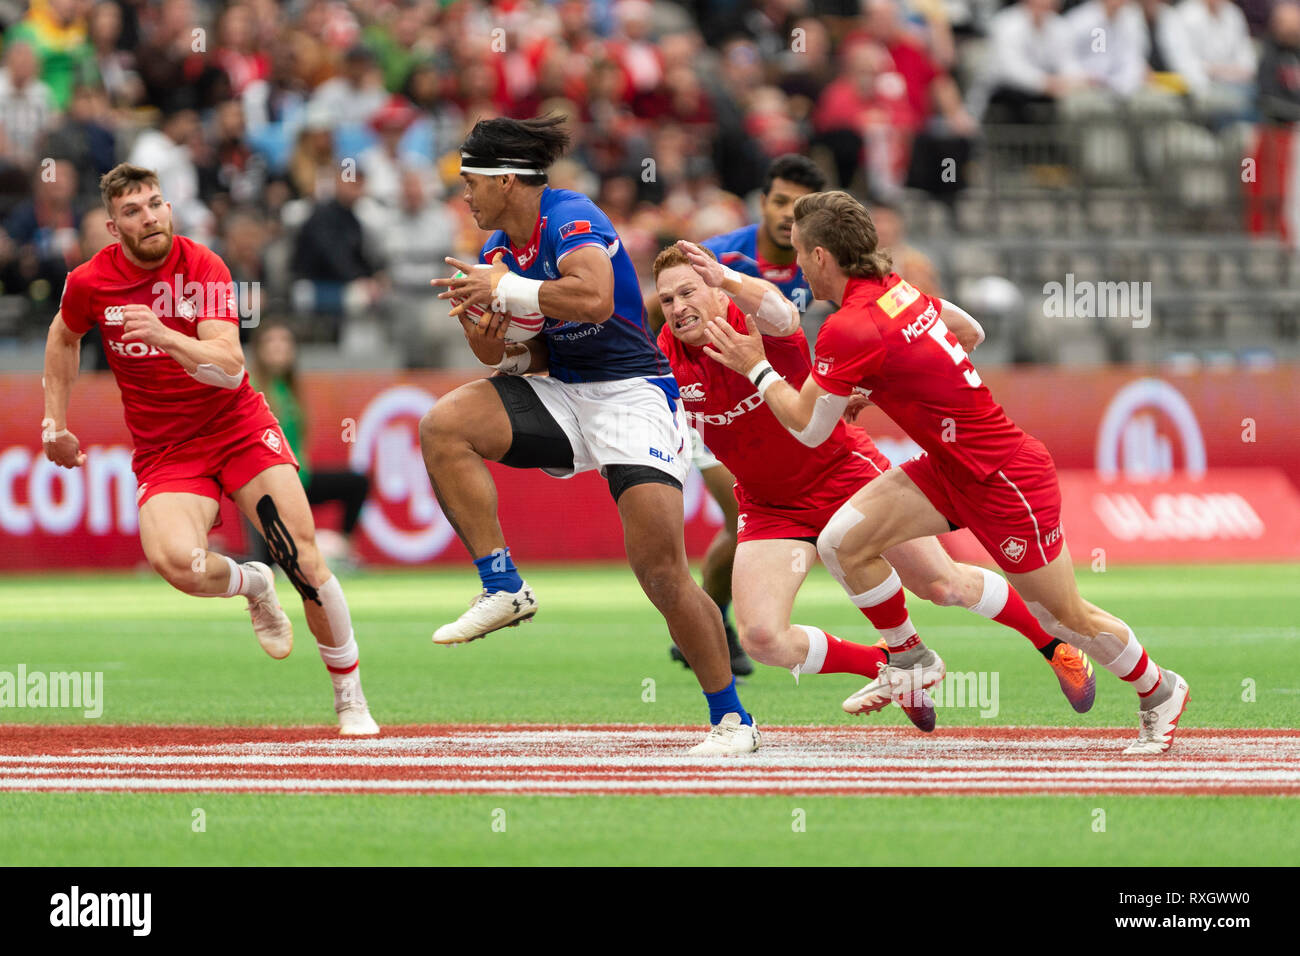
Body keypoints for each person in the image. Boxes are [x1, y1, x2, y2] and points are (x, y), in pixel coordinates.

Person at [702, 191, 1189, 754]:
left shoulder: (849, 326)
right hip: (948, 466)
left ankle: (1160, 691)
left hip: (1003, 475)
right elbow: (971, 333)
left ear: (820, 258)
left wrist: (754, 364)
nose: (796, 267)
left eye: (799, 254)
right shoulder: (896, 291)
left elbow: (809, 429)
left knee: (1064, 617)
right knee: (844, 542)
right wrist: (882, 384)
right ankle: (910, 659)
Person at [656, 240, 1095, 729]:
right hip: (768, 505)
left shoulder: (757, 326)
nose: (678, 307)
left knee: (943, 583)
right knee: (762, 638)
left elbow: (781, 310)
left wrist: (727, 276)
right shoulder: (663, 355)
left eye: (688, 291)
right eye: (668, 299)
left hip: (843, 473)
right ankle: (894, 666)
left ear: (718, 292)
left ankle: (1055, 646)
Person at [422, 115, 758, 755]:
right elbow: (507, 355)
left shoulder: (571, 214)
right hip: (563, 391)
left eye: (470, 182)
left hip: (633, 396)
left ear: (507, 181)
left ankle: (732, 721)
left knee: (660, 573)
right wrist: (485, 333)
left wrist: (506, 289)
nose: (464, 195)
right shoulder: (498, 253)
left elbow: (595, 300)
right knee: (444, 426)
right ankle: (502, 587)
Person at [41, 162, 379, 736]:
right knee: (177, 563)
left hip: (238, 429)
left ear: (169, 207)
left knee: (303, 559)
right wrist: (54, 424)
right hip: (167, 450)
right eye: (132, 211)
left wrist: (165, 334)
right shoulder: (90, 282)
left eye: (154, 203)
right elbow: (63, 335)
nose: (147, 217)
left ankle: (350, 698)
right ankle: (252, 582)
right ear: (112, 226)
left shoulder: (204, 266)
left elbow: (228, 369)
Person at [662, 153, 832, 679]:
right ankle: (711, 626)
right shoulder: (715, 259)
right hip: (713, 410)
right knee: (747, 518)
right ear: (762, 202)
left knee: (749, 528)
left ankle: (709, 623)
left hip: (773, 401)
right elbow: (660, 308)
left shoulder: (819, 258)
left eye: (798, 208)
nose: (786, 215)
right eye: (779, 201)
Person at [250, 323, 372, 566]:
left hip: (299, 478)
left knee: (357, 482)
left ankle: (344, 547)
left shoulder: (292, 389)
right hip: (266, 487)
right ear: (259, 350)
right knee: (268, 564)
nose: (279, 348)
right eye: (271, 342)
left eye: (285, 342)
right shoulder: (251, 390)